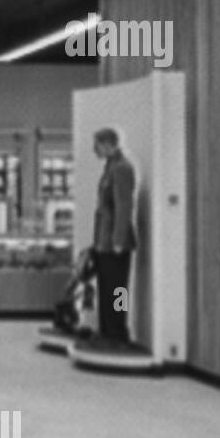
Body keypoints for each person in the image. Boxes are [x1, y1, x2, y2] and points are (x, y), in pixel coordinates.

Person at [91, 127, 137, 347]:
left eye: (97, 145)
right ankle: (106, 331)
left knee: (119, 289)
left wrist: (118, 240)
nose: (94, 150)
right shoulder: (110, 167)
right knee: (105, 288)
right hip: (103, 241)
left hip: (115, 242)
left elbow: (123, 206)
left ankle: (119, 332)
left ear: (108, 144)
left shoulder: (122, 168)